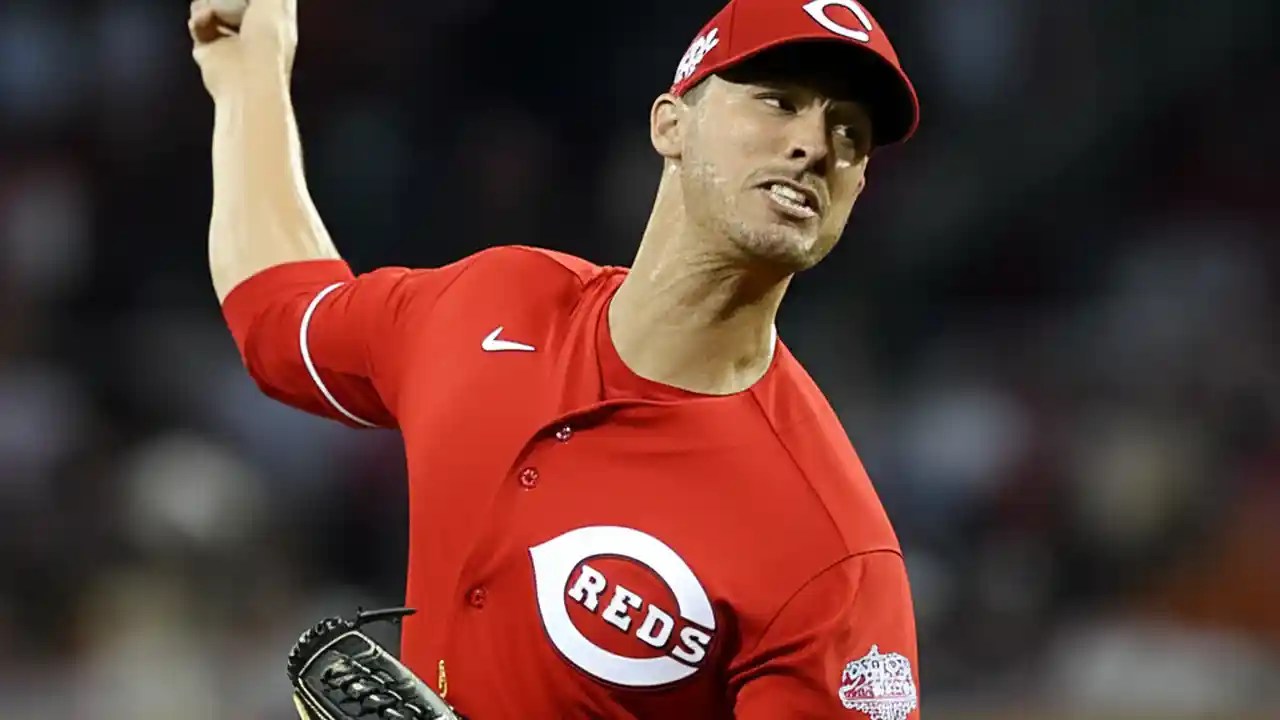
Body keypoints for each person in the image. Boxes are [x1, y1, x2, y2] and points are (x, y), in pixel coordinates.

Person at [189, 0, 923, 717]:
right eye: (778, 101)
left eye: (850, 133)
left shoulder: (830, 551)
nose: (815, 146)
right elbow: (280, 318)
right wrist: (249, 70)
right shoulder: (491, 304)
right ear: (671, 124)